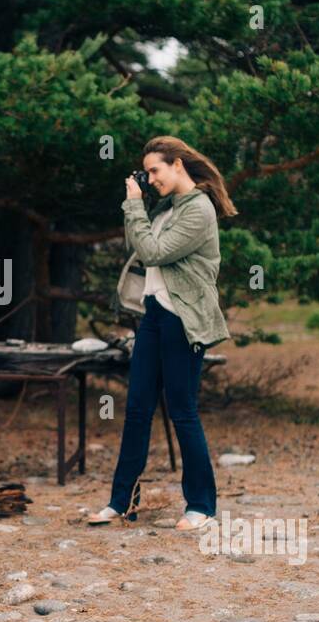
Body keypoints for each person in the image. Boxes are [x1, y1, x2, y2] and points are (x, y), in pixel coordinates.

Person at [87, 136, 236, 530]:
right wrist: (135, 205)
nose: (150, 178)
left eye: (155, 170)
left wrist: (135, 204)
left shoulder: (199, 210)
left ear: (178, 165)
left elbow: (153, 252)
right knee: (137, 409)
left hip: (183, 320)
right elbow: (138, 243)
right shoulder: (168, 207)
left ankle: (201, 506)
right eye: (147, 172)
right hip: (154, 315)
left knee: (182, 410)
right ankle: (122, 502)